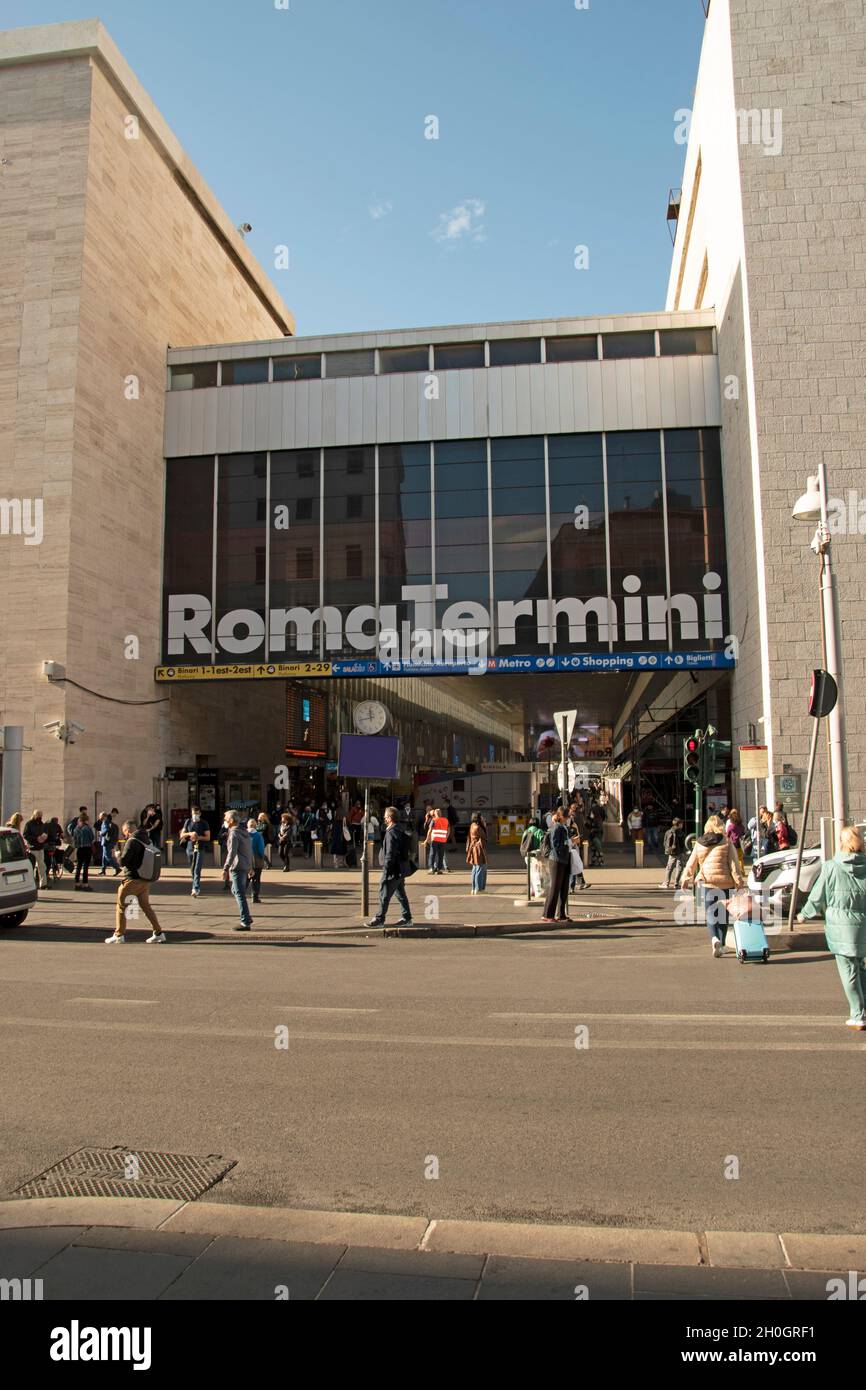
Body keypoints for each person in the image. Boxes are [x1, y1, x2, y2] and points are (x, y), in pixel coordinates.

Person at [798, 825, 866, 1030]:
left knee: (849, 971)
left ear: (841, 843)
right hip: (863, 924)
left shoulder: (831, 867)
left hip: (841, 926)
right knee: (860, 968)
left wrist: (804, 914)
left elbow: (818, 895)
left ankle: (858, 1015)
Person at [680, 814, 747, 957]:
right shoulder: (726, 841)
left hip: (707, 883)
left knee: (711, 913)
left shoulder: (699, 843)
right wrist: (739, 883)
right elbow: (734, 864)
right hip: (725, 883)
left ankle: (714, 939)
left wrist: (685, 878)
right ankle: (721, 945)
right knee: (723, 915)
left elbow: (691, 863)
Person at [105, 819, 165, 944]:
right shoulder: (145, 839)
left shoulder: (132, 841)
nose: (125, 835)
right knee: (146, 907)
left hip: (132, 879)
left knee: (121, 906)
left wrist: (117, 855)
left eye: (125, 832)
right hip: (144, 879)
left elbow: (123, 861)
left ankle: (119, 935)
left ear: (128, 829)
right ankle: (158, 933)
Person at [367, 806, 414, 927]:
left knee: (384, 893)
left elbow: (390, 853)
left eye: (385, 817)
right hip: (400, 868)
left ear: (389, 818)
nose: (384, 819)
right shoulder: (399, 829)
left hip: (393, 869)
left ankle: (379, 919)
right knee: (400, 894)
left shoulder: (391, 832)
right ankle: (407, 918)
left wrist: (387, 871)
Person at [223, 811, 253, 931]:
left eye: (225, 819)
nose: (224, 821)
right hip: (245, 865)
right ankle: (247, 917)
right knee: (235, 890)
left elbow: (232, 852)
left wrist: (226, 867)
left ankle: (245, 921)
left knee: (239, 894)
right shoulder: (244, 832)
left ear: (230, 821)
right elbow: (248, 850)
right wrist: (250, 866)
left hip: (237, 866)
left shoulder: (234, 833)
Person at [542, 808, 572, 923]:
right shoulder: (556, 827)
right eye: (568, 816)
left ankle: (561, 914)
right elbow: (556, 845)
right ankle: (547, 914)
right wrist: (569, 842)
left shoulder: (564, 827)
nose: (569, 818)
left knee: (564, 887)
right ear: (563, 816)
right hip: (556, 860)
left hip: (565, 859)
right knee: (554, 887)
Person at [180, 805, 211, 898]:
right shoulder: (188, 822)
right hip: (189, 848)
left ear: (200, 814)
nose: (195, 815)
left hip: (200, 847)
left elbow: (208, 837)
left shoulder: (204, 823)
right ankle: (195, 885)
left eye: (197, 813)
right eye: (194, 813)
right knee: (192, 868)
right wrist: (190, 833)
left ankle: (196, 888)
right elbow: (182, 835)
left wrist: (198, 837)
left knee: (197, 868)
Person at [23, 809, 50, 890]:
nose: (40, 817)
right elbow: (25, 835)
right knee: (32, 867)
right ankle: (31, 885)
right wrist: (36, 838)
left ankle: (43, 884)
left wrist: (44, 837)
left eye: (41, 815)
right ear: (35, 815)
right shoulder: (29, 824)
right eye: (38, 815)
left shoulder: (42, 824)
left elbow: (45, 832)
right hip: (32, 848)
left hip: (40, 847)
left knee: (42, 866)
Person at [660, 818, 687, 888]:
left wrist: (669, 849)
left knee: (669, 867)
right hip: (680, 852)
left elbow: (664, 842)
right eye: (681, 824)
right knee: (680, 867)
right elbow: (684, 843)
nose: (682, 825)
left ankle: (666, 883)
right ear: (679, 824)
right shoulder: (681, 833)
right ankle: (676, 883)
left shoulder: (668, 832)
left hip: (672, 852)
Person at [466, 813, 488, 894]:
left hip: (473, 848)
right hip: (479, 849)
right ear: (478, 818)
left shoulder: (472, 825)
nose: (483, 818)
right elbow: (485, 838)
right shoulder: (478, 827)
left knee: (475, 869)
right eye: (481, 817)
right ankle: (479, 889)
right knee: (480, 868)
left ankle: (474, 888)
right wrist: (484, 826)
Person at [72, 813, 95, 891]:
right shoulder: (87, 828)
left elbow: (74, 839)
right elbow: (92, 837)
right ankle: (85, 884)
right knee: (85, 867)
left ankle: (77, 883)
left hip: (79, 849)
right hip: (87, 848)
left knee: (78, 866)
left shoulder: (76, 828)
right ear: (86, 820)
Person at [247, 818, 266, 904]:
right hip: (256, 859)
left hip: (245, 858)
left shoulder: (244, 834)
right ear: (256, 826)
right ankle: (255, 896)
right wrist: (264, 859)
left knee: (246, 878)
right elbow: (261, 849)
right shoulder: (258, 835)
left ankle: (241, 894)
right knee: (256, 879)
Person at [426, 807, 450, 874]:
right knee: (441, 855)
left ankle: (431, 868)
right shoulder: (446, 820)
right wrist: (446, 837)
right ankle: (439, 869)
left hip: (435, 840)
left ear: (435, 814)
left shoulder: (434, 820)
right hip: (442, 840)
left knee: (432, 854)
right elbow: (449, 830)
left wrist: (427, 839)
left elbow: (430, 830)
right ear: (441, 814)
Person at [97, 810, 120, 876]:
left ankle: (117, 867)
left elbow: (106, 830)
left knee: (107, 856)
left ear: (104, 816)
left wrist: (101, 833)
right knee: (104, 857)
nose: (100, 818)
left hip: (106, 842)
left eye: (101, 817)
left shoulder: (105, 822)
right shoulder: (109, 822)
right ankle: (103, 870)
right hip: (109, 842)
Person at [725, 808, 747, 872]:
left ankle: (735, 870)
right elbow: (743, 832)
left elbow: (727, 835)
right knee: (740, 858)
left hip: (733, 843)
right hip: (740, 843)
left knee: (733, 858)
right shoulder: (741, 825)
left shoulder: (731, 826)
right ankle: (742, 870)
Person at [568, 828, 590, 892]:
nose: (578, 839)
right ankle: (573, 887)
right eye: (577, 838)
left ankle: (580, 884)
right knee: (574, 873)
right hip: (573, 862)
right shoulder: (572, 845)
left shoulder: (575, 845)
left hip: (574, 862)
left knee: (576, 872)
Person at [443, 799, 458, 872]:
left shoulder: (450, 809)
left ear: (447, 803)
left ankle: (454, 847)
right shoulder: (451, 808)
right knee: (452, 835)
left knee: (451, 835)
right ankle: (454, 847)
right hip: (452, 823)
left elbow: (451, 817)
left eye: (444, 803)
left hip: (451, 824)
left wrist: (448, 823)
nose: (444, 804)